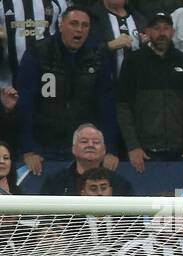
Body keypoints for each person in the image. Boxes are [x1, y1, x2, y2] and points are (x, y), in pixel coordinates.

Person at [15, 5, 117, 177]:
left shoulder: (98, 56)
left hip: (83, 150)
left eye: (85, 25)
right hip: (42, 147)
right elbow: (25, 104)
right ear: (61, 25)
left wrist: (110, 148)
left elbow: (107, 106)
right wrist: (28, 149)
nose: (79, 29)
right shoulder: (38, 53)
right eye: (74, 23)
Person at [116, 12, 183, 174]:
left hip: (181, 152)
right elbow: (123, 107)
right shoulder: (133, 62)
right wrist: (133, 146)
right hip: (144, 153)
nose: (162, 33)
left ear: (173, 31)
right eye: (156, 28)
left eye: (166, 28)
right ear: (147, 32)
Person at [39, 124, 134, 196]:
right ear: (73, 149)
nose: (90, 145)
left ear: (104, 150)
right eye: (84, 141)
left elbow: (133, 220)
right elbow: (44, 219)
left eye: (96, 142)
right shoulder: (54, 182)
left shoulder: (120, 184)